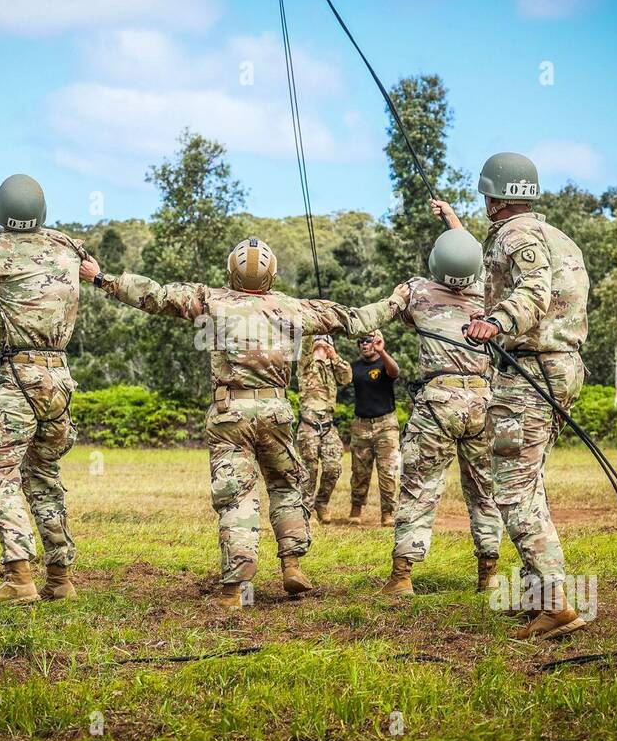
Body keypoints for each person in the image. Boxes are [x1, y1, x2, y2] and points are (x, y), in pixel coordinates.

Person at [80, 237, 410, 610]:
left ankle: (235, 589)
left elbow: (154, 295)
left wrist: (101, 278)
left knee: (237, 496)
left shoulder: (211, 300)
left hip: (229, 414)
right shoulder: (293, 308)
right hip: (277, 413)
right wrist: (397, 300)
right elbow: (355, 319)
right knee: (286, 486)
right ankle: (292, 565)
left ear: (230, 270)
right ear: (271, 274)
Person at [431, 151, 591, 640]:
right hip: (557, 367)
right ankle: (539, 596)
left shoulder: (517, 236)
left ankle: (558, 603)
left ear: (495, 196)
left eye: (485, 196)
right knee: (529, 479)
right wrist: (455, 224)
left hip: (531, 372)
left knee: (513, 487)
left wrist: (495, 322)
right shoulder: (551, 235)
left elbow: (533, 292)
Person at [0, 174, 88, 605]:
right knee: (44, 476)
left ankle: (19, 578)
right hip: (60, 378)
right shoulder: (67, 245)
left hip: (20, 376)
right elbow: (83, 263)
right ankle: (61, 577)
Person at [380, 228, 504, 597]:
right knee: (485, 489)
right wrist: (452, 218)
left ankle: (402, 577)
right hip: (485, 401)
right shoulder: (491, 295)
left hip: (439, 401)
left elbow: (397, 310)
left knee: (419, 487)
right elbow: (469, 252)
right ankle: (489, 573)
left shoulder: (419, 292)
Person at [295, 334, 352, 523]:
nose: (322, 347)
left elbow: (346, 378)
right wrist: (314, 339)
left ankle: (322, 502)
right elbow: (303, 347)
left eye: (326, 344)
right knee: (309, 468)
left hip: (328, 424)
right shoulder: (305, 364)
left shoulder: (333, 367)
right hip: (309, 424)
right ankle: (306, 510)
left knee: (333, 467)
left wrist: (333, 356)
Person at [348, 330, 400, 526]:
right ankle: (356, 509)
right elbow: (341, 378)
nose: (364, 344)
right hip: (360, 425)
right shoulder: (355, 367)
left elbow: (395, 371)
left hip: (386, 425)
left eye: (368, 340)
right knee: (359, 472)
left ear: (377, 341)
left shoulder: (384, 363)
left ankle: (388, 513)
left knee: (388, 472)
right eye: (361, 341)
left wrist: (382, 351)